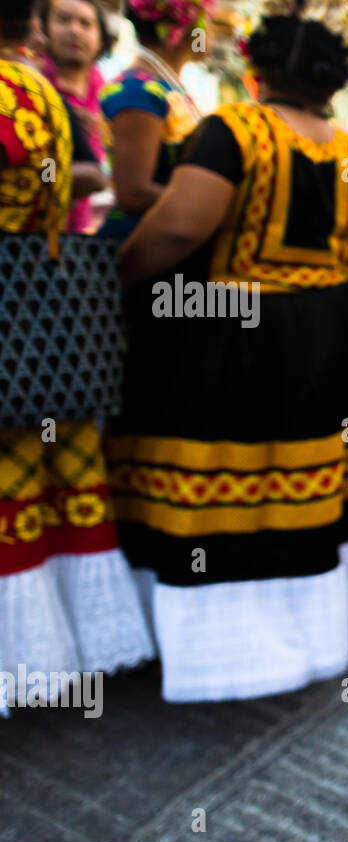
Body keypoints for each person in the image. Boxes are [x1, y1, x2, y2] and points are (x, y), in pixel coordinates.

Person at [104, 0, 348, 702]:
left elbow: (182, 226)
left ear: (258, 66)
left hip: (232, 330)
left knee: (223, 474)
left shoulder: (233, 131)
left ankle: (217, 653)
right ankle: (305, 642)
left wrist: (120, 267)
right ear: (335, 82)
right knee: (300, 479)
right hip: (328, 337)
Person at [0, 2, 152, 713]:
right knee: (48, 469)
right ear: (30, 25)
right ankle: (60, 654)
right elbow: (83, 179)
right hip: (37, 309)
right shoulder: (44, 95)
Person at [97, 0, 208, 241]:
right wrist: (209, 204)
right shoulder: (137, 90)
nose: (208, 30)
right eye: (206, 19)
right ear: (185, 27)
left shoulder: (165, 86)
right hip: (141, 246)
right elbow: (134, 193)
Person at [39, 0, 110, 233]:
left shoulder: (107, 92)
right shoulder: (31, 85)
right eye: (63, 20)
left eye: (85, 23)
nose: (74, 30)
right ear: (43, 28)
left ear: (101, 38)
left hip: (82, 233)